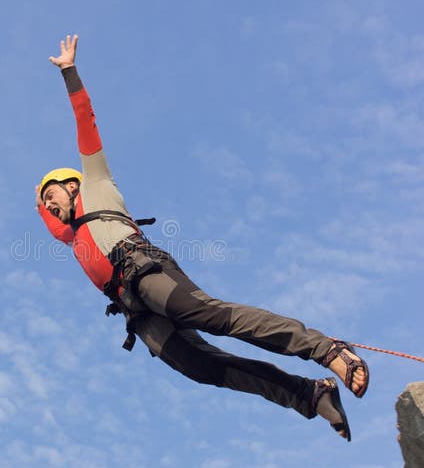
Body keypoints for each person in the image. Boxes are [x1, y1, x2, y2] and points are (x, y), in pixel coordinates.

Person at [36, 34, 369, 442]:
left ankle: (326, 351)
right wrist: (40, 198)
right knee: (204, 369)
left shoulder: (95, 181)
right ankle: (310, 396)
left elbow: (85, 119)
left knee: (211, 317)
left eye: (51, 195)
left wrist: (69, 72)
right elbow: (49, 220)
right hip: (135, 311)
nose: (49, 207)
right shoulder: (71, 236)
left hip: (143, 271)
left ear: (71, 185)